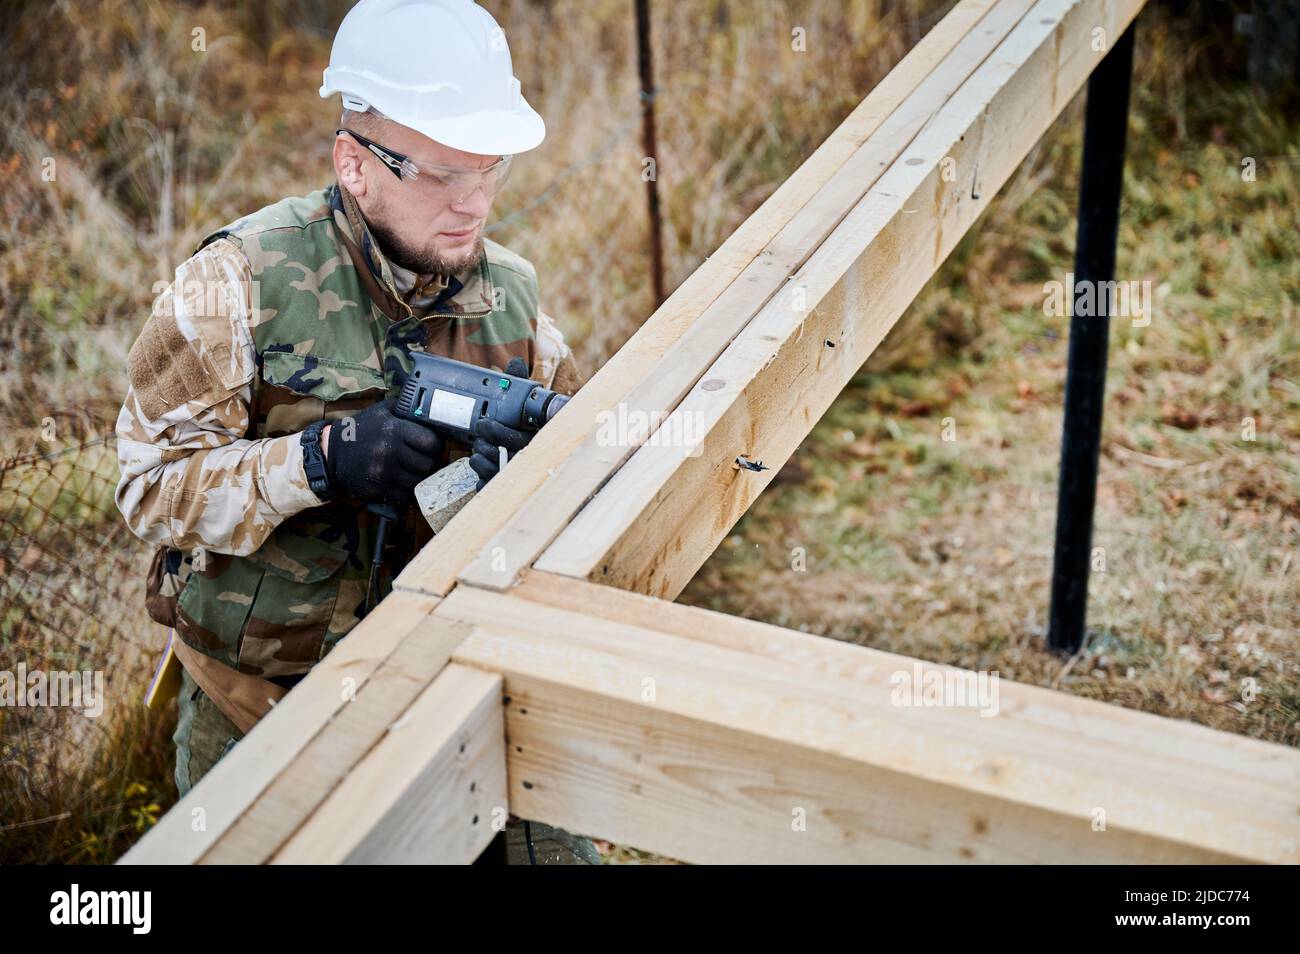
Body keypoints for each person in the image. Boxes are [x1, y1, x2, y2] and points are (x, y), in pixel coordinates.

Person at [116, 0, 595, 863]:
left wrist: (524, 481)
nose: (475, 204)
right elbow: (147, 489)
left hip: (450, 691)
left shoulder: (512, 296)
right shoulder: (238, 284)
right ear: (356, 165)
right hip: (263, 711)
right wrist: (317, 462)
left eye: (491, 171)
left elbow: (577, 466)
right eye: (445, 176)